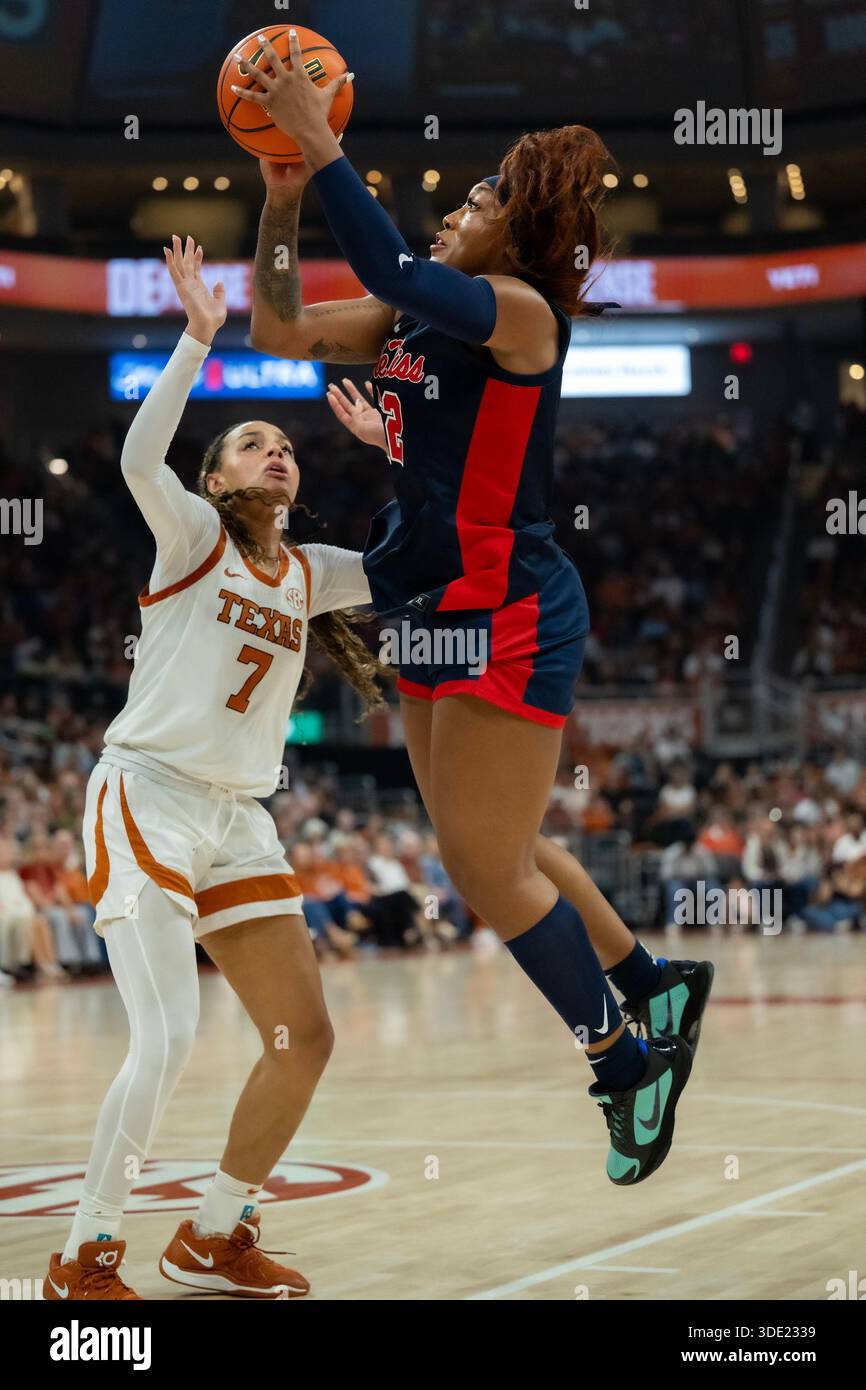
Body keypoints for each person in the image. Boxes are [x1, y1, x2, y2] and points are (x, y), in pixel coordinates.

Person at [239, 31, 713, 1185]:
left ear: (523, 232)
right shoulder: (412, 324)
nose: (460, 200)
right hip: (429, 595)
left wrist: (325, 140)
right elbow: (274, 327)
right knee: (496, 848)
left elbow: (401, 276)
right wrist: (283, 199)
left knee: (482, 863)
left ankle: (621, 1056)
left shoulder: (517, 313)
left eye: (485, 193)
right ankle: (649, 980)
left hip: (510, 603)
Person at [43, 235, 380, 1301]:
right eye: (249, 442)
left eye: (283, 443)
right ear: (218, 477)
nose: (273, 451)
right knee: (169, 1032)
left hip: (237, 818)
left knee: (303, 1034)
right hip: (146, 792)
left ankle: (212, 1234)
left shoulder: (312, 572)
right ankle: (82, 1254)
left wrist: (394, 445)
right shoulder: (191, 535)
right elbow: (140, 460)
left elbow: (431, 562)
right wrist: (195, 338)